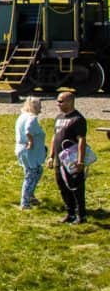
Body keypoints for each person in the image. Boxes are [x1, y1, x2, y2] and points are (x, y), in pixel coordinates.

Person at [47, 91, 87, 224]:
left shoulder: (78, 119)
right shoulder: (59, 117)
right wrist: (51, 156)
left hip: (72, 161)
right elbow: (54, 137)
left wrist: (80, 161)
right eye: (58, 101)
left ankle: (81, 216)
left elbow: (81, 140)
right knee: (63, 187)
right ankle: (70, 213)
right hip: (59, 160)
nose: (57, 104)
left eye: (60, 101)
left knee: (76, 188)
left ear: (70, 102)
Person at [15, 96, 46, 210]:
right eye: (39, 107)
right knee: (31, 174)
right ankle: (25, 203)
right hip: (30, 151)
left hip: (21, 148)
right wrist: (31, 141)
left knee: (37, 171)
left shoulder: (22, 116)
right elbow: (28, 130)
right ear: (34, 107)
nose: (40, 109)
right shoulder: (32, 117)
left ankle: (30, 196)